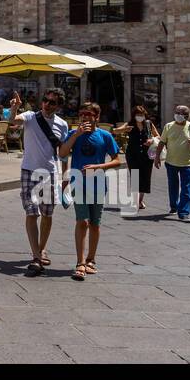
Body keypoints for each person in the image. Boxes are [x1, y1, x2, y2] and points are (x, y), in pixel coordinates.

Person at [6, 89, 68, 277]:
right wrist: (14, 108)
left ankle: (41, 249)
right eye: (45, 100)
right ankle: (36, 256)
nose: (47, 104)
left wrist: (66, 176)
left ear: (58, 106)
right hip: (29, 170)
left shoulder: (62, 125)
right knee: (32, 212)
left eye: (52, 102)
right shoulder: (31, 116)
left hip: (49, 172)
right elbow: (13, 121)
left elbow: (63, 153)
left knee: (47, 214)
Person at [58, 102, 121, 280]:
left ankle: (91, 259)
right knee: (82, 221)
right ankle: (80, 262)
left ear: (96, 117)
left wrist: (99, 166)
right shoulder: (73, 134)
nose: (84, 117)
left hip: (99, 184)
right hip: (78, 183)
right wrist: (76, 134)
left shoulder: (105, 136)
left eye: (88, 114)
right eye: (82, 114)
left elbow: (117, 160)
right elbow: (62, 153)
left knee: (95, 223)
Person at [155, 104, 190, 222]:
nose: (178, 115)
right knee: (173, 186)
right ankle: (173, 206)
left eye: (181, 113)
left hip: (187, 163)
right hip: (171, 162)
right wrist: (157, 157)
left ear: (186, 116)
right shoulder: (168, 126)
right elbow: (161, 142)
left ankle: (184, 213)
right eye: (177, 112)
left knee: (186, 188)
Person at [113, 105, 158, 211]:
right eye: (138, 115)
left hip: (147, 155)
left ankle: (140, 200)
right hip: (133, 154)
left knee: (145, 176)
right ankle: (135, 201)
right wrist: (125, 129)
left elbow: (158, 136)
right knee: (135, 176)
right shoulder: (130, 124)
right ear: (134, 115)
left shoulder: (148, 124)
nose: (140, 117)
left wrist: (152, 140)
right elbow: (115, 131)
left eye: (141, 115)